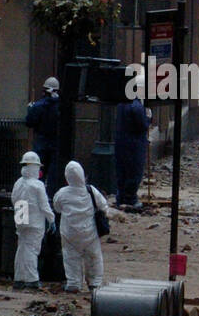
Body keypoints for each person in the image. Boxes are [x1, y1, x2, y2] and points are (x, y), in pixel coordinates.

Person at [52, 160, 107, 294]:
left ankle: (74, 283)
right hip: (89, 232)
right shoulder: (90, 191)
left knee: (71, 258)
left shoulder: (62, 193)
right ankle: (95, 283)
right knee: (94, 257)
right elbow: (103, 206)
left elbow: (57, 208)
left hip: (69, 233)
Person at [12, 151, 54, 290]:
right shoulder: (37, 185)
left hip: (21, 217)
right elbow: (44, 205)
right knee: (31, 249)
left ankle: (19, 278)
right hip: (34, 221)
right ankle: (32, 279)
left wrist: (21, 214)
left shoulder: (18, 183)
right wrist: (51, 219)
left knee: (22, 248)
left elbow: (14, 199)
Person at [114, 88, 152, 209]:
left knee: (122, 172)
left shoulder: (121, 104)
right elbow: (143, 125)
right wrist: (149, 118)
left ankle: (121, 198)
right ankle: (130, 199)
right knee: (134, 172)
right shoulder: (136, 107)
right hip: (135, 144)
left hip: (121, 143)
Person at [25, 76, 61, 194]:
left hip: (41, 142)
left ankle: (37, 193)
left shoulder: (38, 106)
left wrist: (30, 110)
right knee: (53, 173)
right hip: (56, 143)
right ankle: (51, 195)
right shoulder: (61, 107)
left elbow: (29, 122)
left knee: (38, 170)